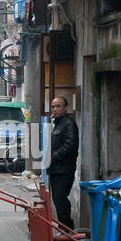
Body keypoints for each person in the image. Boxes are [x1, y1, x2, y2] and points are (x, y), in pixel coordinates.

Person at [47, 96, 79, 227]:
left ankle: (67, 232)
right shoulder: (57, 123)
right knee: (58, 201)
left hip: (64, 170)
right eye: (53, 106)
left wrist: (53, 156)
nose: (55, 109)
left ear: (65, 108)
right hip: (55, 170)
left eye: (58, 106)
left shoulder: (69, 124)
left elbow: (70, 146)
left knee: (61, 201)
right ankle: (64, 231)